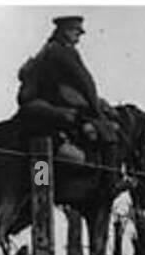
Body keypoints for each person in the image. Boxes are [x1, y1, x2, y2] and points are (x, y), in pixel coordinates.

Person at [16, 16, 117, 155]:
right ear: (65, 31)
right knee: (109, 134)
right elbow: (85, 82)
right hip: (59, 105)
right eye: (77, 32)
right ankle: (109, 176)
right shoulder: (64, 52)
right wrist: (97, 111)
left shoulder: (45, 50)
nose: (79, 37)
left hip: (38, 106)